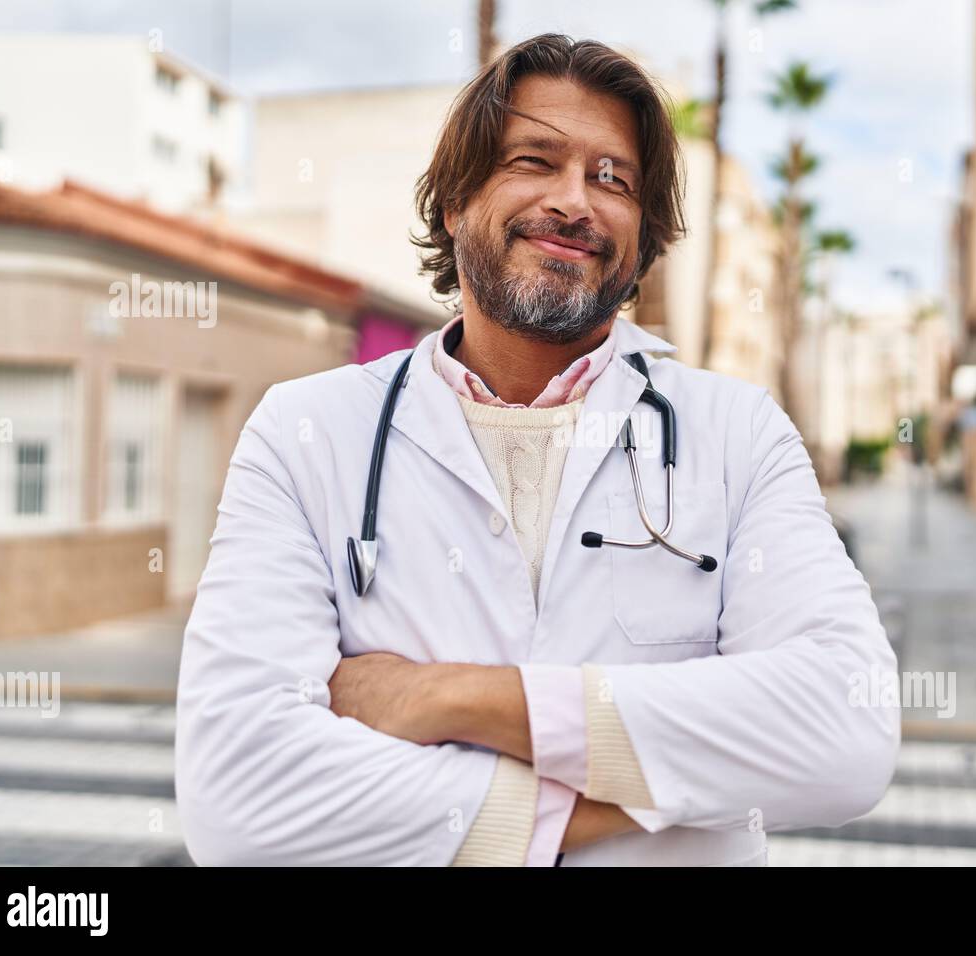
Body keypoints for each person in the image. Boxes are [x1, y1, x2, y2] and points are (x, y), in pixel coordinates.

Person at [174, 32, 900, 867]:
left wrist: (441, 697)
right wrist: (662, 795)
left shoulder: (740, 433)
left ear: (644, 236)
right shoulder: (305, 433)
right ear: (453, 203)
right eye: (533, 160)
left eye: (613, 178)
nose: (575, 202)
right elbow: (237, 801)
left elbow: (850, 725)